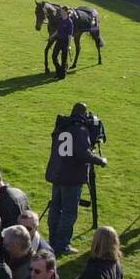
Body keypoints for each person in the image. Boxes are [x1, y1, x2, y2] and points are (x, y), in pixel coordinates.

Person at [44, 102, 107, 256]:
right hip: (72, 177)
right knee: (69, 212)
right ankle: (62, 244)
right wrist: (101, 160)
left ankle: (53, 240)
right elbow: (83, 154)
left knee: (55, 208)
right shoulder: (80, 130)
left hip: (57, 173)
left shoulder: (61, 127)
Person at [48, 6, 74, 79]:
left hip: (65, 42)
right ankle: (59, 71)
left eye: (62, 11)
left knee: (63, 60)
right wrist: (52, 36)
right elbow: (57, 30)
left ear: (66, 12)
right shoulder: (60, 20)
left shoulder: (69, 22)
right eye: (61, 11)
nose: (61, 13)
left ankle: (62, 75)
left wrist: (69, 45)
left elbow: (70, 36)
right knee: (54, 56)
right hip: (59, 40)